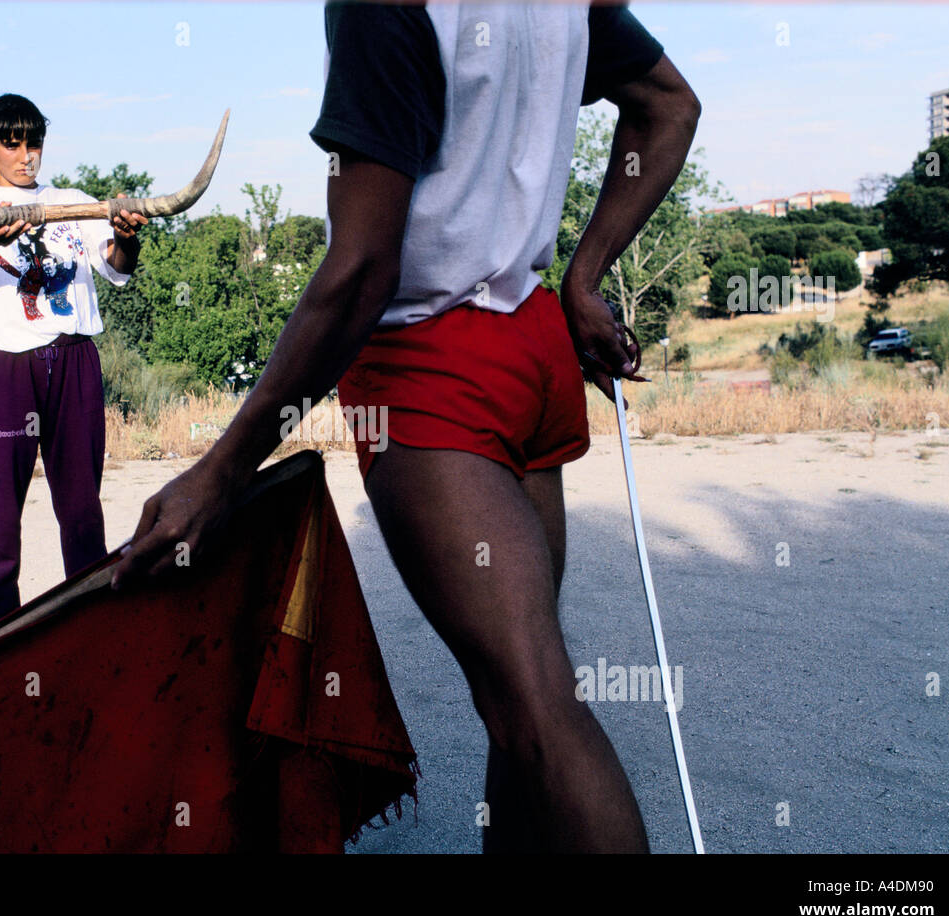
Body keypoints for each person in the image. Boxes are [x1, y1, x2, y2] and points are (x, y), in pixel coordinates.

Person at [110, 2, 700, 852]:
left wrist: (220, 470)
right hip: (530, 341)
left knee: (532, 704)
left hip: (431, 360)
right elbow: (670, 104)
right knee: (520, 692)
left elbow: (359, 274)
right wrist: (584, 276)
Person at [0, 93, 148, 633]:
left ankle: (93, 621)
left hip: (74, 362)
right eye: (12, 143)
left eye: (34, 142)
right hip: (4, 370)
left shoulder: (75, 200)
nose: (26, 155)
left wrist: (126, 237)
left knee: (81, 507)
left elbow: (118, 268)